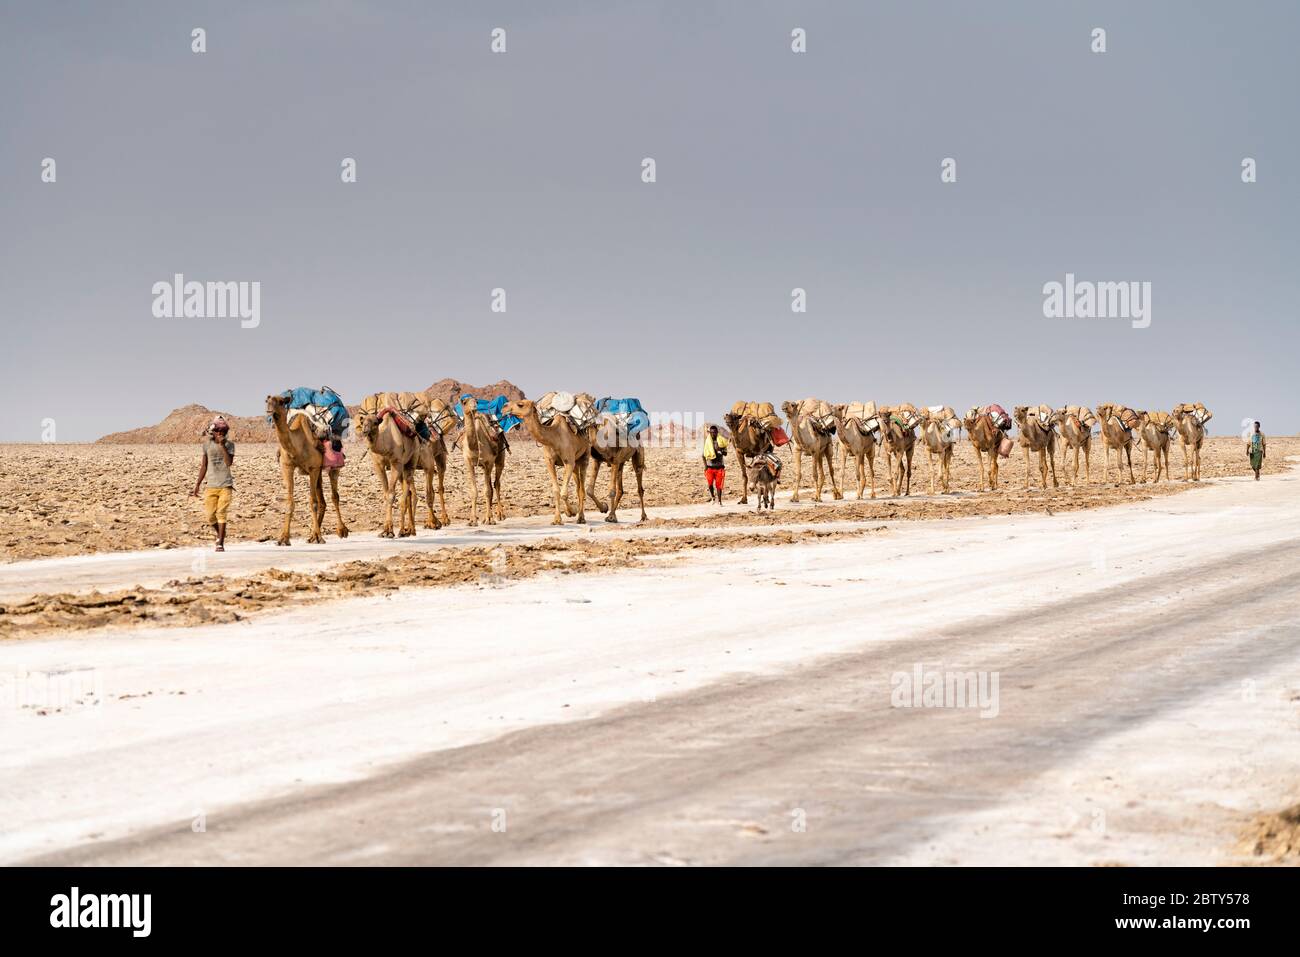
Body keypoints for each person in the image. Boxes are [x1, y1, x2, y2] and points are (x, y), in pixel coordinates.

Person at [191, 416, 235, 551]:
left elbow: (228, 463)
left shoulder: (229, 445)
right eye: (218, 431)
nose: (220, 433)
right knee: (210, 516)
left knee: (221, 513)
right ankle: (221, 532)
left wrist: (222, 445)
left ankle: (220, 542)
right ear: (213, 432)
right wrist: (198, 484)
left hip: (225, 484)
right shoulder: (206, 445)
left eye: (223, 431)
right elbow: (204, 465)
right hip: (211, 485)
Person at [702, 424, 728, 504]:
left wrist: (720, 449)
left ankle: (719, 501)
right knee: (710, 484)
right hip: (710, 467)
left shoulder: (721, 442)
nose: (713, 434)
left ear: (717, 432)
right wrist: (705, 466)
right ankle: (713, 497)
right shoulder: (707, 443)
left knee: (719, 485)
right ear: (710, 433)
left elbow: (725, 453)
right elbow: (703, 455)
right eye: (712, 432)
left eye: (715, 432)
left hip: (719, 467)